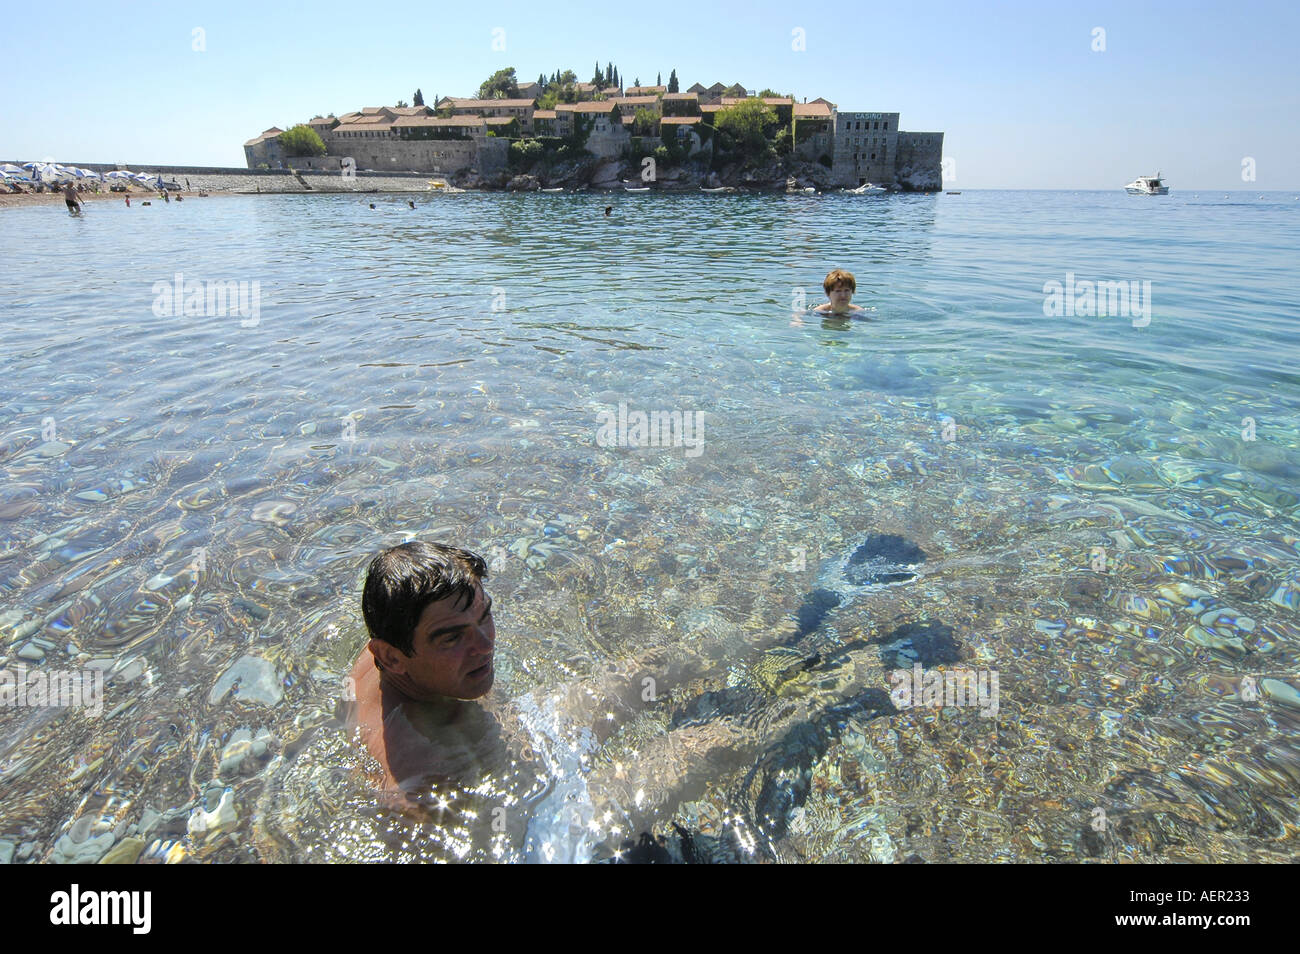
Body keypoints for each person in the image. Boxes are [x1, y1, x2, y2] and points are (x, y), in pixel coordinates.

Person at [348, 542, 501, 793]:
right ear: (391, 658)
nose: (485, 645)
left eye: (484, 616)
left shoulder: (375, 655)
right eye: (452, 638)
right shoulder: (425, 772)